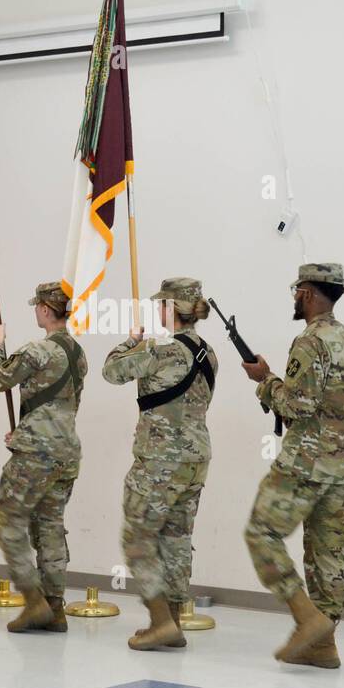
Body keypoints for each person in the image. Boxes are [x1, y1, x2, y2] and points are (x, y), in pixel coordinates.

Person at [240, 263, 344, 668]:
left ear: (310, 294)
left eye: (297, 290)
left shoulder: (310, 342)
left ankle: (306, 619)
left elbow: (297, 405)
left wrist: (264, 380)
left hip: (307, 465)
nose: (294, 296)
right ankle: (324, 645)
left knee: (261, 533)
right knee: (327, 553)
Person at [103, 277, 217, 650]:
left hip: (158, 460)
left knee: (137, 538)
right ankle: (173, 622)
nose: (156, 311)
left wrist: (131, 341)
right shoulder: (209, 353)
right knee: (177, 539)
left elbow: (111, 370)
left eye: (160, 305)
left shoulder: (159, 349)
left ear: (171, 309)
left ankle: (159, 621)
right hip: (195, 458)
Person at [0, 282, 87, 633]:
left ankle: (33, 601)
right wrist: (28, 428)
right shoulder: (78, 353)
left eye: (37, 307)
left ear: (45, 310)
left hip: (36, 454)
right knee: (51, 526)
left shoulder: (38, 350)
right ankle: (55, 606)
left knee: (8, 525)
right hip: (65, 451)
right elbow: (61, 404)